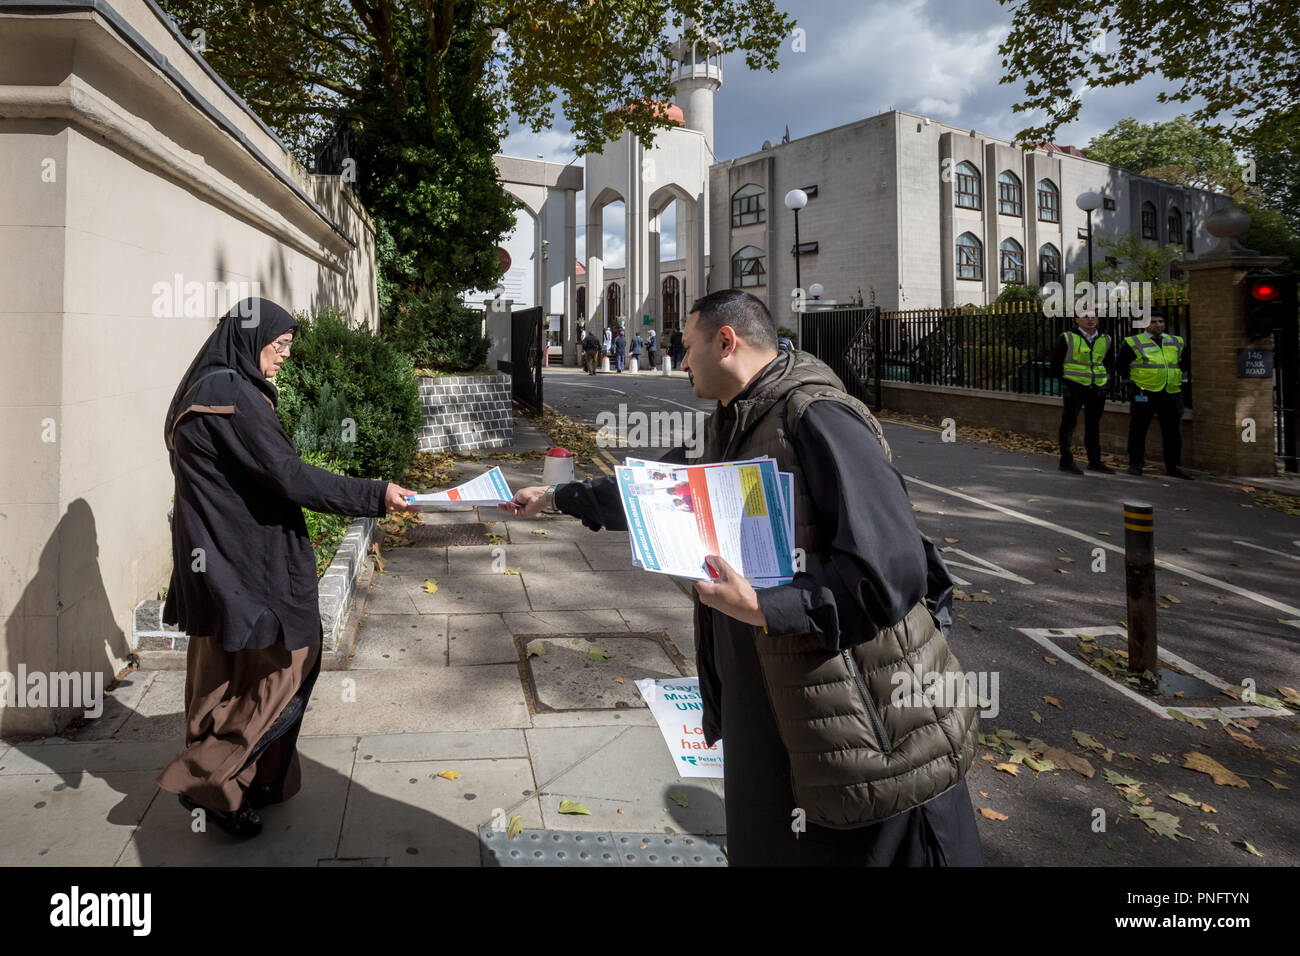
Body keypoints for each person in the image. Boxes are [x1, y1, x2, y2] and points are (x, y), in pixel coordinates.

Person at [501, 289, 983, 866]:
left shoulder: (819, 415)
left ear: (725, 342)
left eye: (687, 347)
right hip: (781, 713)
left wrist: (764, 608)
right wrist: (558, 494)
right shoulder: (735, 422)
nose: (681, 363)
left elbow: (890, 572)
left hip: (869, 732)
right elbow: (656, 494)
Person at [157, 298, 420, 837]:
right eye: (278, 347)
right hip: (246, 561)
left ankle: (245, 785)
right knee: (291, 659)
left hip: (209, 559)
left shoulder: (200, 389)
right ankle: (211, 779)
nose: (282, 358)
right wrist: (376, 493)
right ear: (251, 341)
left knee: (222, 673)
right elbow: (289, 476)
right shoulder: (233, 397)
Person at [1118, 311, 1192, 479]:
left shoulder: (1176, 341)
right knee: (1138, 429)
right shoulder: (1133, 342)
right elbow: (1121, 366)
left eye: (1161, 321)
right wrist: (1133, 383)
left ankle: (1174, 466)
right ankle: (1136, 464)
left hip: (1171, 391)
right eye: (1153, 321)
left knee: (1172, 432)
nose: (1158, 325)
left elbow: (1184, 363)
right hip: (1144, 392)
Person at [1049, 307, 1114, 475]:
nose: (1090, 319)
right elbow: (1055, 364)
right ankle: (1066, 460)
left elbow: (1108, 363)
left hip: (1097, 387)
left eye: (1093, 316)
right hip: (1074, 386)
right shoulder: (1067, 338)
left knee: (1094, 425)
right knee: (1069, 424)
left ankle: (1095, 461)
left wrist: (1105, 384)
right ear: (1076, 320)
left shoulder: (1106, 339)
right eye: (1085, 316)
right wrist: (1066, 384)